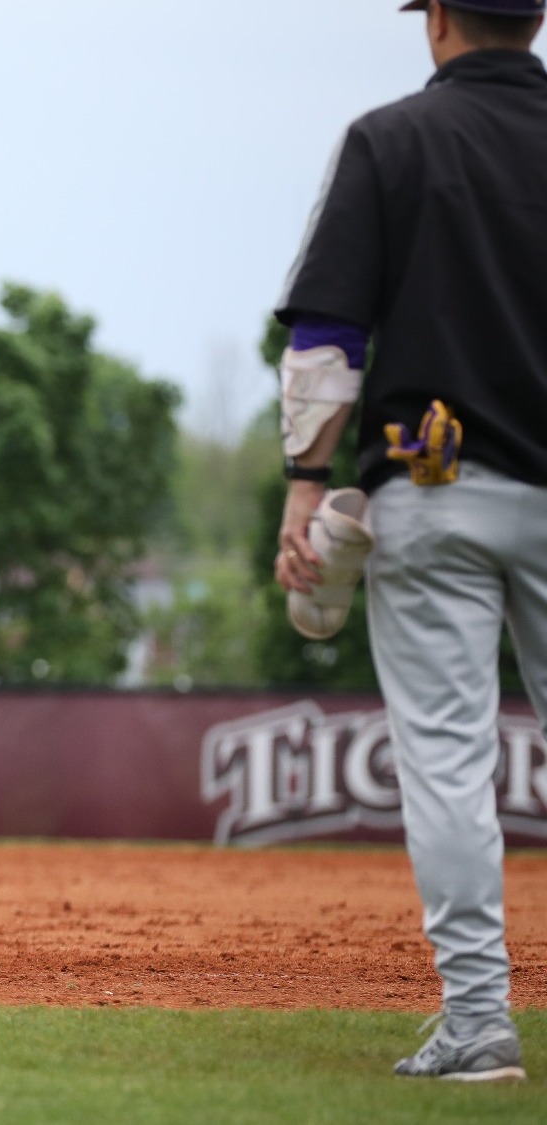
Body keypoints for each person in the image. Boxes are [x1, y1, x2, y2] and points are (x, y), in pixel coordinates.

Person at [273, 0, 545, 1083]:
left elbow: (326, 338)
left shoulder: (391, 139)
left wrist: (304, 489)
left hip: (436, 483)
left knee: (446, 763)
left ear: (433, 18)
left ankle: (478, 1023)